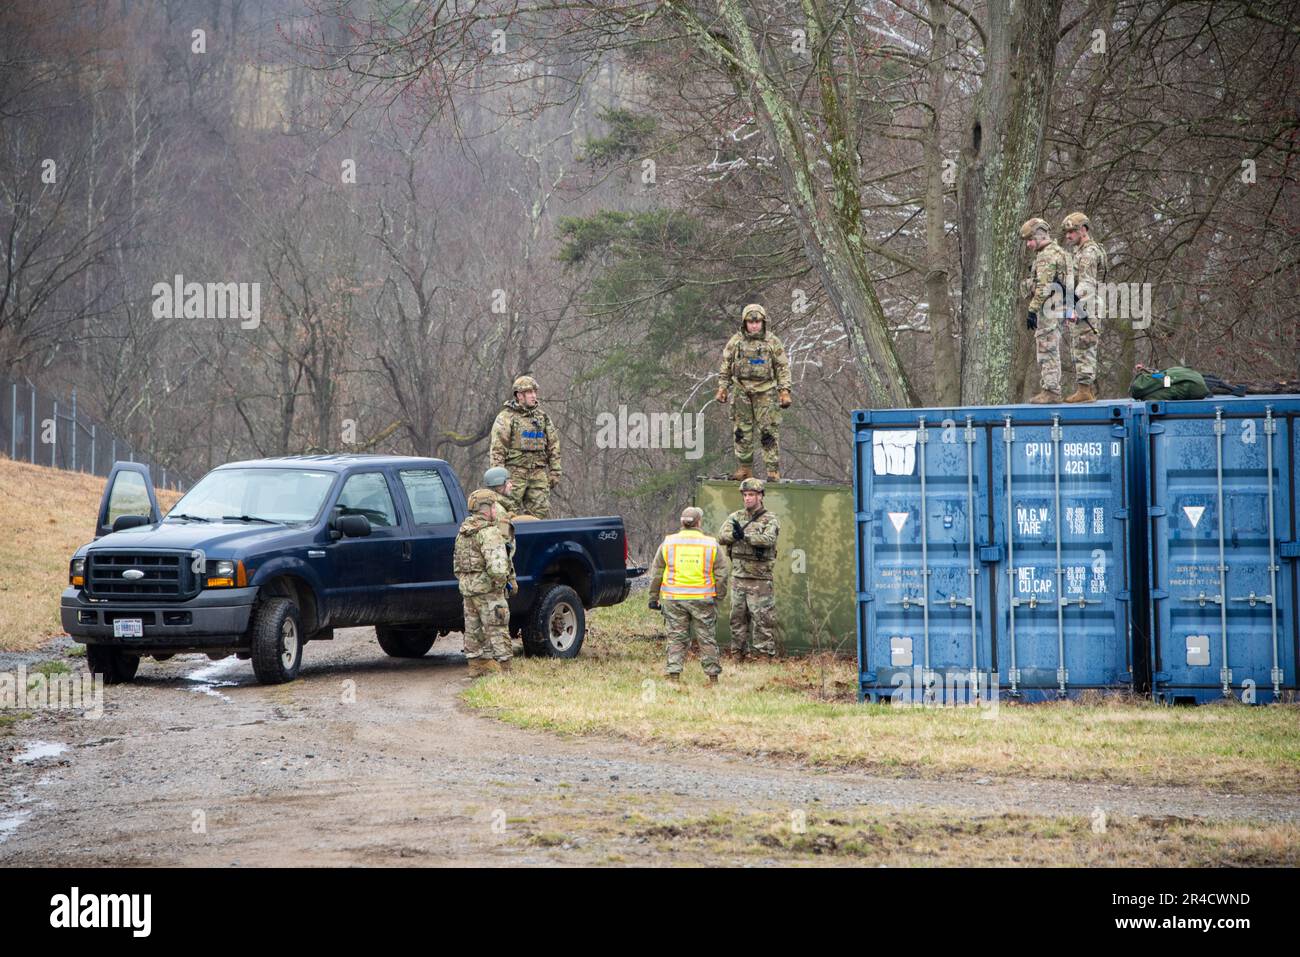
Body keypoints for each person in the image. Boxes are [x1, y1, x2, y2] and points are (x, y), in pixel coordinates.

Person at [647, 506, 729, 684]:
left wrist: (653, 597)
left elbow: (656, 573)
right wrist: (719, 596)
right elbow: (722, 574)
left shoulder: (668, 543)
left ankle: (674, 674)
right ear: (699, 522)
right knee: (706, 637)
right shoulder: (710, 544)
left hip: (674, 599)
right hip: (703, 599)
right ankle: (712, 677)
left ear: (682, 522)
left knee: (676, 636)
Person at [715, 303, 792, 481]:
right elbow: (726, 365)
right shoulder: (736, 342)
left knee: (768, 432)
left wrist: (785, 391)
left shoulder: (772, 342)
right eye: (751, 322)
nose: (754, 325)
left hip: (765, 392)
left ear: (763, 322)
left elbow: (782, 367)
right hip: (741, 391)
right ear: (745, 323)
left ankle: (772, 471)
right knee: (742, 432)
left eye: (757, 322)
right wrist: (722, 388)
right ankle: (744, 469)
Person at [453, 489, 518, 676]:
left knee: (472, 628)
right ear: (486, 508)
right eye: (493, 506)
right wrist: (501, 584)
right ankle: (506, 668)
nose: (496, 510)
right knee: (498, 625)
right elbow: (497, 568)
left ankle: (475, 665)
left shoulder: (463, 532)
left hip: (468, 588)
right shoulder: (489, 533)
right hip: (488, 589)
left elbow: (457, 566)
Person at [716, 477, 780, 660]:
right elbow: (721, 536)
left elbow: (768, 540)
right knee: (737, 618)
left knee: (763, 620)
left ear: (760, 496)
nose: (747, 498)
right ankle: (738, 654)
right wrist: (734, 536)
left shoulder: (770, 519)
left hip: (760, 579)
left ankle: (763, 656)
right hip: (739, 577)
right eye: (745, 495)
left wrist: (745, 536)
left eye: (751, 494)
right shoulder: (736, 516)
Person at [489, 375, 561, 518]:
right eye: (529, 392)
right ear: (519, 395)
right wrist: (499, 479)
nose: (534, 396)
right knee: (507, 513)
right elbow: (498, 449)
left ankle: (534, 540)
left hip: (538, 473)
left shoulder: (542, 418)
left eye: (535, 392)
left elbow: (553, 445)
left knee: (540, 513)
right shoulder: (506, 417)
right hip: (513, 474)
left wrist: (555, 471)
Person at [1060, 211, 1109, 403]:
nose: (1068, 236)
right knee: (1080, 347)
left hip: (1087, 307)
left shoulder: (1088, 253)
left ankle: (1085, 391)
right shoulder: (1080, 251)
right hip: (1084, 305)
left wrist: (1072, 306)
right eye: (1067, 232)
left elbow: (1087, 283)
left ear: (1083, 230)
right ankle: (1083, 389)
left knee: (1084, 347)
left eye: (1072, 232)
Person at [1020, 217, 1070, 404]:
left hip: (1048, 309)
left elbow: (1043, 287)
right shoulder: (1058, 252)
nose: (1029, 244)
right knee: (1050, 346)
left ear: (1039, 236)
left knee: (1047, 347)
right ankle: (1050, 388)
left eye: (1030, 240)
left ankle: (1051, 391)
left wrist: (1032, 310)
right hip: (1057, 306)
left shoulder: (1047, 256)